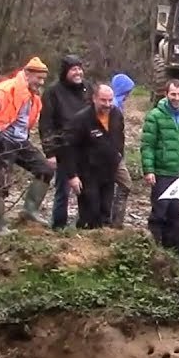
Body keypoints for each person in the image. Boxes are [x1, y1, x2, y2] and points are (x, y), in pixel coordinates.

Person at [0, 57, 56, 236]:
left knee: (45, 169)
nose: (41, 83)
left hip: (20, 141)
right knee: (0, 183)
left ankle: (29, 211)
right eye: (38, 78)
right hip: (1, 139)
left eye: (43, 79)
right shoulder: (5, 89)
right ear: (27, 74)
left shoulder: (34, 98)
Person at [140, 79, 179, 245]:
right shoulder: (155, 116)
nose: (176, 98)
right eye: (173, 94)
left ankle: (171, 246)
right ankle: (154, 245)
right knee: (159, 211)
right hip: (162, 172)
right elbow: (147, 145)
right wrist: (149, 170)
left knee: (176, 212)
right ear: (166, 94)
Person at [62, 83, 124, 230]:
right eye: (103, 100)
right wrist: (72, 176)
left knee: (105, 211)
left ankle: (102, 242)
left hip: (109, 172)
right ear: (94, 98)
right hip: (88, 173)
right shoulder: (81, 119)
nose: (107, 104)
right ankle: (83, 242)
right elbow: (68, 148)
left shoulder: (116, 114)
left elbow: (120, 137)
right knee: (90, 213)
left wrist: (119, 155)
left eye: (110, 100)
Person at [39, 55, 91, 230]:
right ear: (65, 71)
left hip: (86, 147)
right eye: (73, 69)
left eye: (79, 68)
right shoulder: (53, 92)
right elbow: (46, 124)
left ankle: (84, 224)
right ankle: (58, 225)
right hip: (63, 147)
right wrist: (50, 152)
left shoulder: (88, 89)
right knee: (63, 189)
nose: (78, 72)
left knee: (86, 188)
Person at [107, 72, 137, 228]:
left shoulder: (118, 103)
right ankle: (115, 222)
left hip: (116, 153)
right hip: (111, 155)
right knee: (125, 184)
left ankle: (114, 221)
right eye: (128, 91)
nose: (129, 95)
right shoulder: (113, 105)